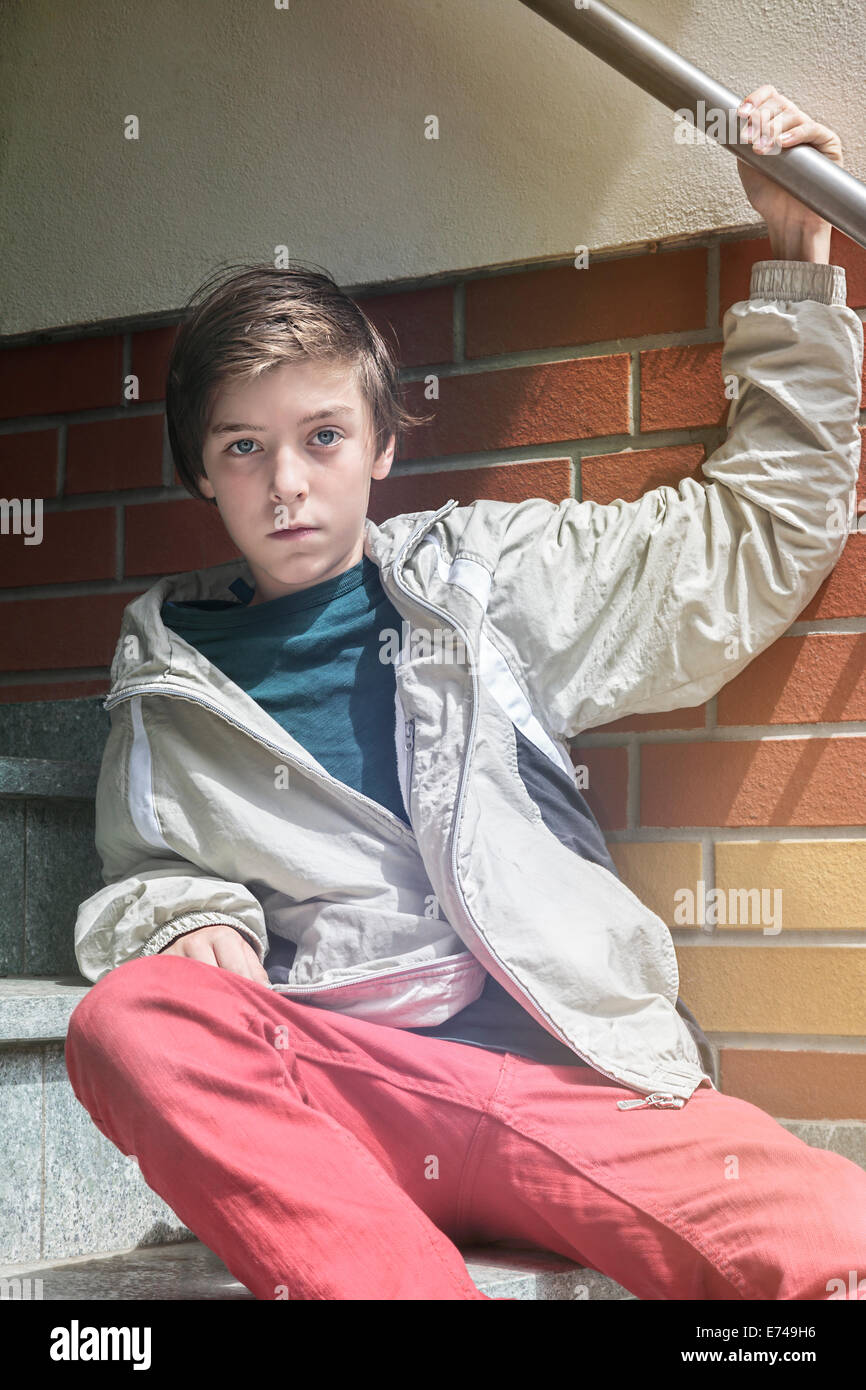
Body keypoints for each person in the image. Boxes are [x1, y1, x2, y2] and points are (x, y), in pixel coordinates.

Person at [65, 87, 866, 1300]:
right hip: (348, 1094)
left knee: (836, 1242)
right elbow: (153, 873)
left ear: (383, 447)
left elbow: (744, 544)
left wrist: (794, 270)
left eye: (322, 436)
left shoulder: (485, 578)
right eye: (242, 446)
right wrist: (188, 921)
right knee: (128, 1020)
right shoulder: (167, 677)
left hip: (572, 1081)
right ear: (202, 473)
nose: (285, 481)